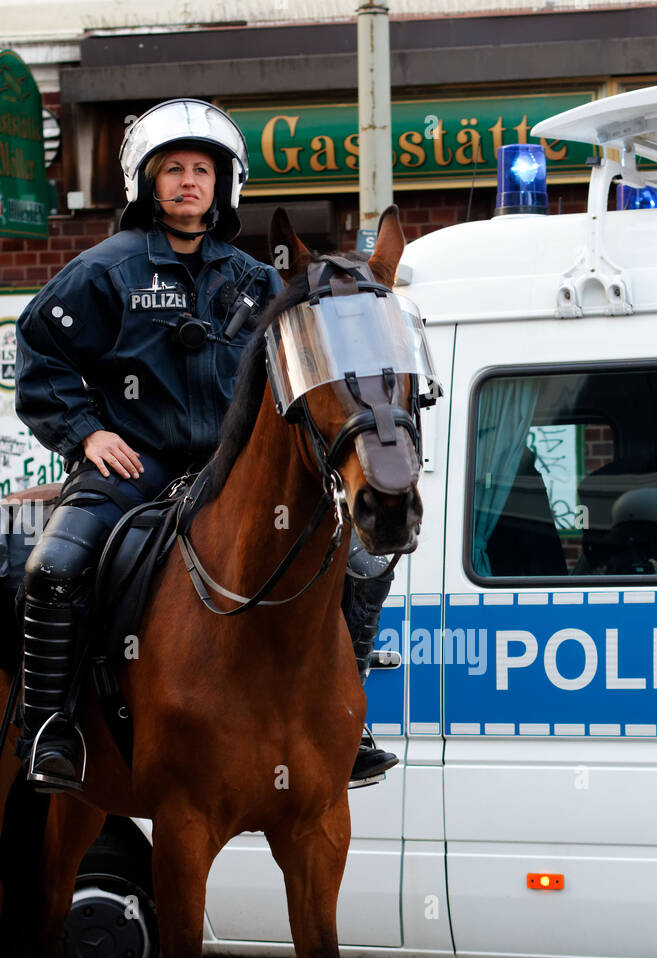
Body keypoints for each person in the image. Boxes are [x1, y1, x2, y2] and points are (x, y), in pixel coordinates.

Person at [15, 99, 397, 792]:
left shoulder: (253, 280)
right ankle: (50, 727)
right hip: (133, 466)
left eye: (202, 170)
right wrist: (87, 432)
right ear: (146, 183)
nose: (188, 182)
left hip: (230, 473)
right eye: (173, 170)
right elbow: (40, 351)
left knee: (366, 557)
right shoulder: (104, 271)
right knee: (54, 567)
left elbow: (297, 377)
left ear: (226, 184)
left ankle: (347, 716)